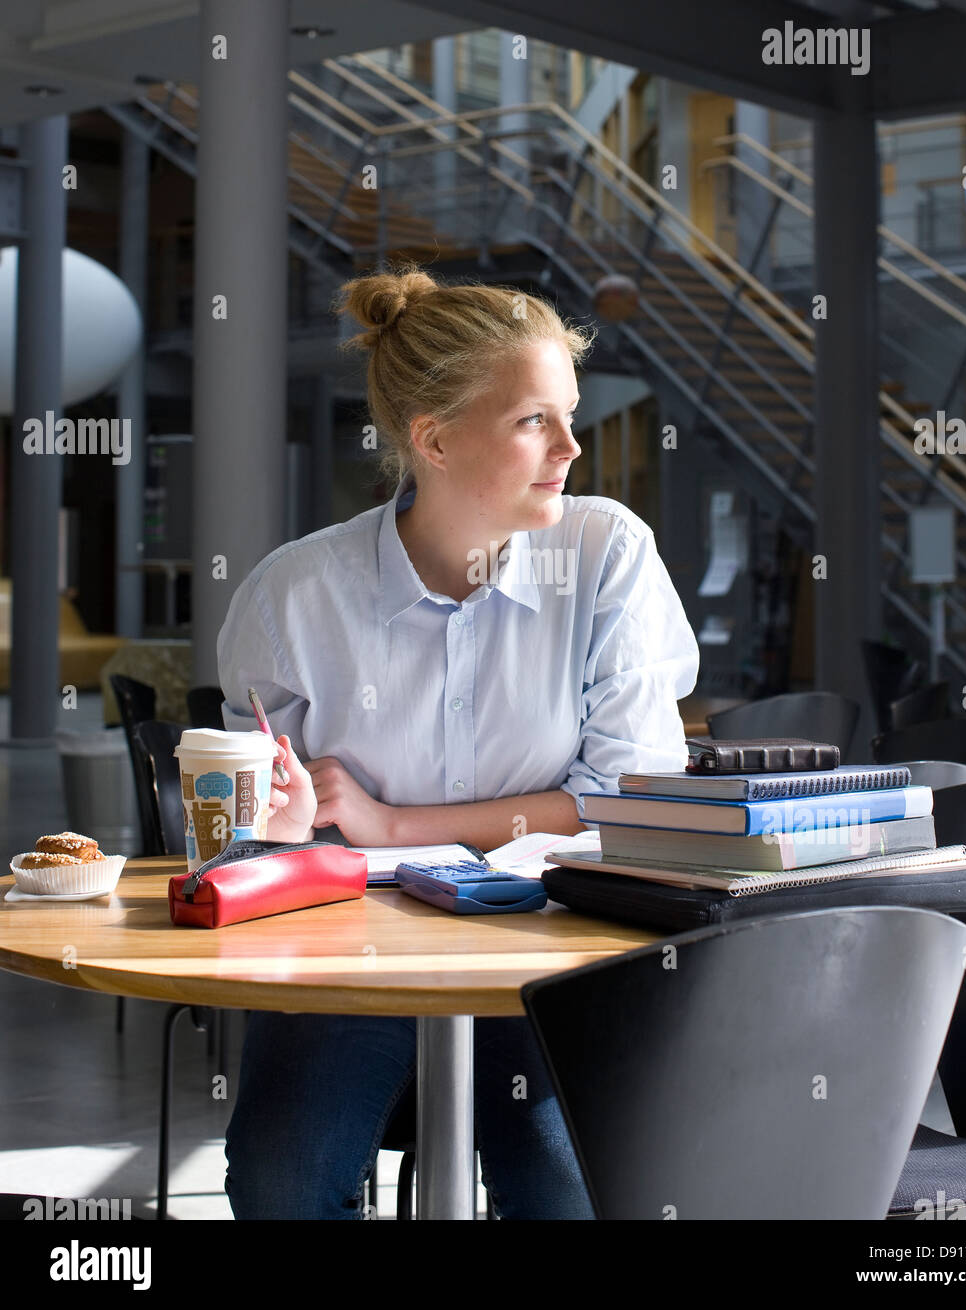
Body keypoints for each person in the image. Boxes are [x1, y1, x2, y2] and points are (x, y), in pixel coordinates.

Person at [217, 263, 701, 1219]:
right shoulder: (293, 597)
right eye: (533, 422)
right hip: (350, 945)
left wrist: (390, 823)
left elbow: (626, 797)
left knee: (566, 1186)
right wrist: (281, 825)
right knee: (280, 1183)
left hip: (555, 943)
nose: (570, 446)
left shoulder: (605, 554)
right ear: (432, 439)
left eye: (568, 414)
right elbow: (254, 840)